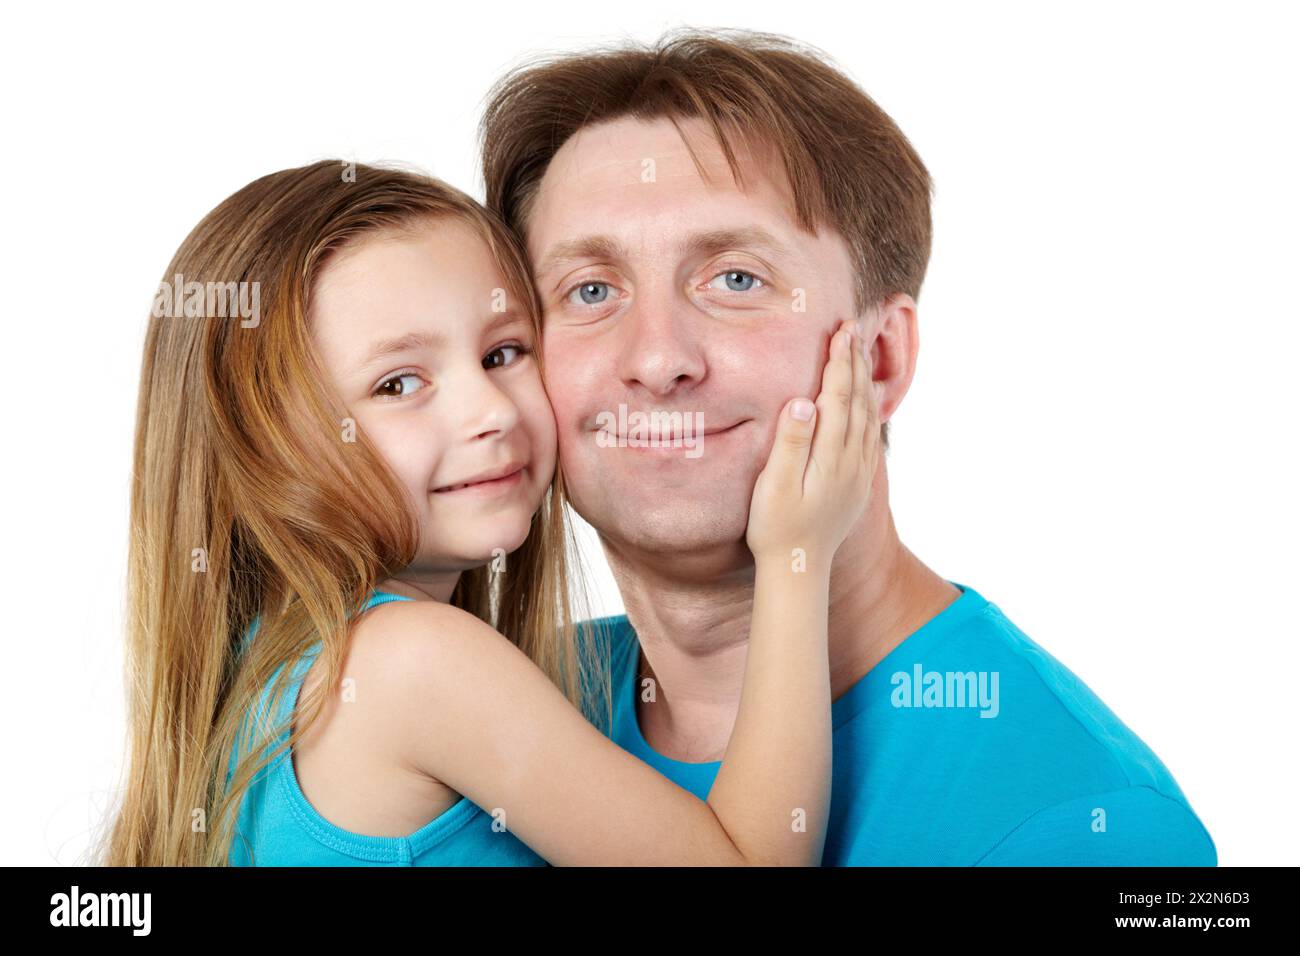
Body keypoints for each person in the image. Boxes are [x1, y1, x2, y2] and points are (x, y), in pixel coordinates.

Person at [478, 27, 1217, 865]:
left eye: (735, 280)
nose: (656, 359)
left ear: (882, 358)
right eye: (591, 289)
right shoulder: (496, 722)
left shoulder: (1082, 822)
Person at [99, 159, 881, 866]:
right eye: (399, 384)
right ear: (264, 446)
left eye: (503, 353)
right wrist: (794, 556)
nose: (489, 412)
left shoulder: (278, 664)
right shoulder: (409, 661)